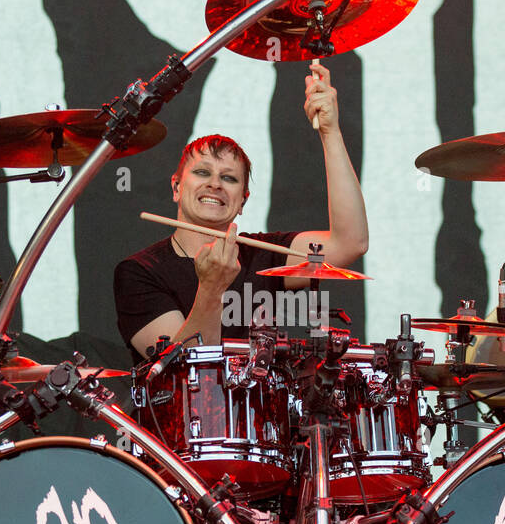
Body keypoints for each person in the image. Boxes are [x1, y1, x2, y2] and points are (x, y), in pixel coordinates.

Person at [114, 61, 368, 361]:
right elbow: (184, 369)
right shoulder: (140, 272)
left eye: (229, 178)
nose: (215, 184)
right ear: (176, 188)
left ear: (243, 201)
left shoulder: (262, 255)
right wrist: (212, 287)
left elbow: (350, 242)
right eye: (202, 173)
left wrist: (330, 131)